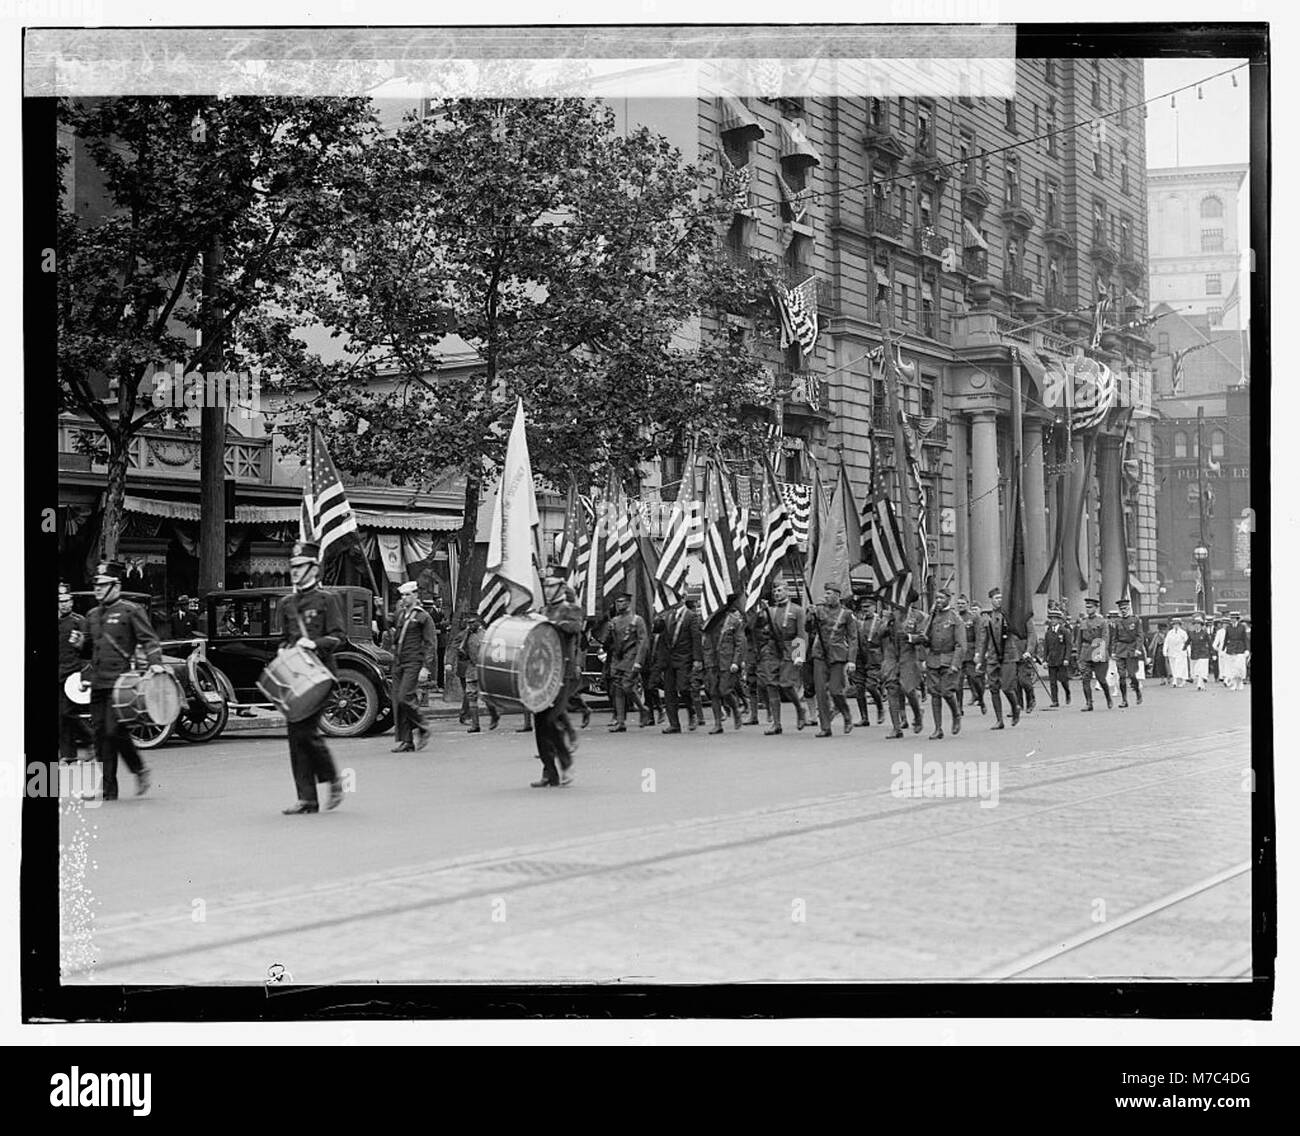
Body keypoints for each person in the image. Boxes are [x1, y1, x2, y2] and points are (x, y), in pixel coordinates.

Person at [79, 562, 166, 800]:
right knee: (100, 734)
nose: (97, 589)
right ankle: (111, 787)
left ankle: (133, 772)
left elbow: (149, 640)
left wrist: (155, 662)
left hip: (121, 684)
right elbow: (88, 649)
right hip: (98, 682)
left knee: (113, 731)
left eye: (103, 585)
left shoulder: (130, 610)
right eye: (96, 584)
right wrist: (79, 644)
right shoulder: (92, 615)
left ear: (116, 586)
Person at [275, 542, 346, 814]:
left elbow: (339, 637)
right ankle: (307, 799)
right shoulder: (287, 603)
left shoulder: (327, 600)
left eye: (300, 566)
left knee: (305, 731)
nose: (294, 571)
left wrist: (314, 644)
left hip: (321, 675)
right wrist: (284, 649)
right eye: (292, 567)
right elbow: (283, 639)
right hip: (297, 678)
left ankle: (334, 779)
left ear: (314, 568)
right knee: (296, 735)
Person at [532, 571, 585, 788]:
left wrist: (551, 623)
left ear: (562, 587)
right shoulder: (544, 610)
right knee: (540, 724)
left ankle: (566, 762)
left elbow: (575, 627)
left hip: (563, 673)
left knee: (551, 720)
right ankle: (549, 772)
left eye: (551, 586)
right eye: (545, 586)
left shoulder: (570, 609)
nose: (547, 590)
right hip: (544, 673)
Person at [753, 578, 809, 735]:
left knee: (785, 684)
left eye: (780, 590)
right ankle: (776, 724)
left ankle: (800, 709)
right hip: (773, 650)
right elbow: (756, 627)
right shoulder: (770, 611)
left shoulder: (797, 610)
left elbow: (801, 633)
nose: (777, 594)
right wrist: (760, 613)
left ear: (787, 591)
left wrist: (799, 655)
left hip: (789, 648)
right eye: (775, 591)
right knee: (771, 684)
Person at [389, 581, 438, 752]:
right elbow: (391, 629)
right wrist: (380, 610)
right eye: (402, 595)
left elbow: (431, 644)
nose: (404, 598)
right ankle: (407, 741)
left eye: (408, 595)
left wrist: (426, 667)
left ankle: (423, 725)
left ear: (416, 596)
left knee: (405, 697)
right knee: (398, 702)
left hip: (413, 662)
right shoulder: (400, 615)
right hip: (398, 662)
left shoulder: (423, 617)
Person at [808, 583, 857, 737]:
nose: (826, 596)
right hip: (819, 654)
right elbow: (808, 629)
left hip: (837, 655)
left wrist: (851, 660)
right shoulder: (819, 610)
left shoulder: (847, 614)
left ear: (837, 595)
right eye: (826, 593)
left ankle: (846, 713)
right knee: (821, 691)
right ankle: (825, 727)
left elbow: (853, 638)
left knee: (836, 690)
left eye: (829, 593)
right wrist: (810, 616)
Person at [918, 587, 965, 739]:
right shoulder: (931, 618)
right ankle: (938, 729)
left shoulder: (955, 618)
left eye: (941, 598)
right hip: (933, 660)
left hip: (948, 660)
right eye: (936, 598)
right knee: (935, 694)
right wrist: (924, 642)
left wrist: (955, 664)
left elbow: (960, 644)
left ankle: (956, 714)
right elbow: (925, 640)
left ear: (948, 599)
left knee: (946, 692)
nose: (938, 600)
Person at [974, 587, 1020, 729]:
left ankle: (1015, 707)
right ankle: (999, 720)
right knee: (994, 688)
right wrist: (980, 660)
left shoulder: (1010, 615)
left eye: (1001, 598)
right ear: (991, 600)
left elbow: (1018, 631)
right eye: (996, 598)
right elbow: (983, 641)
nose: (999, 600)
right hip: (993, 657)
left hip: (1008, 655)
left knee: (1006, 687)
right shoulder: (986, 618)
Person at [602, 591, 648, 732]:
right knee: (617, 688)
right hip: (617, 657)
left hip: (631, 656)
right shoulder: (614, 621)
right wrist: (609, 632)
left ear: (628, 603)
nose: (619, 604)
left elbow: (643, 642)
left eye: (622, 602)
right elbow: (607, 644)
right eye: (617, 602)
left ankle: (642, 708)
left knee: (627, 686)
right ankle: (621, 722)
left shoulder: (637, 620)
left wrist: (639, 661)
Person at [58, 582, 93, 763]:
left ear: (72, 601)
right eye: (60, 601)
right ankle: (68, 754)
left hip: (72, 674)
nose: (64, 604)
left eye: (67, 600)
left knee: (67, 713)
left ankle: (90, 740)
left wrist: (81, 643)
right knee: (62, 716)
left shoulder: (78, 622)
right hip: (59, 673)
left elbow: (88, 650)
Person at [661, 591, 705, 734]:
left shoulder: (691, 616)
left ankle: (691, 711)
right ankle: (674, 724)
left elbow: (696, 638)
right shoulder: (667, 615)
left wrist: (697, 659)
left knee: (684, 688)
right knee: (669, 692)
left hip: (684, 658)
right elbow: (660, 634)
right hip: (669, 659)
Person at [702, 598, 747, 733]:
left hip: (727, 662)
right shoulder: (709, 622)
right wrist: (706, 660)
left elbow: (739, 643)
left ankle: (735, 710)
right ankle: (717, 724)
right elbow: (706, 643)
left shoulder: (734, 621)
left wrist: (736, 662)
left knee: (724, 690)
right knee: (713, 692)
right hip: (713, 661)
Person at [456, 613, 500, 732]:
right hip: (471, 668)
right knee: (471, 696)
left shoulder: (486, 635)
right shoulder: (466, 635)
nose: (470, 625)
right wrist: (461, 653)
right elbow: (462, 653)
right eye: (468, 623)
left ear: (478, 622)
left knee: (486, 697)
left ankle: (494, 714)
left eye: (472, 623)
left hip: (483, 669)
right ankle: (475, 725)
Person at [851, 596, 884, 727]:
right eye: (863, 608)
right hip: (860, 658)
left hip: (874, 658)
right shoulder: (858, 623)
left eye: (868, 607)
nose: (865, 610)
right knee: (859, 688)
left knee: (871, 686)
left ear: (874, 607)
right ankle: (864, 717)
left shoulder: (880, 622)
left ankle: (880, 707)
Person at [1074, 597, 1112, 711]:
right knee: (1085, 679)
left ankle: (1108, 698)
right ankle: (1089, 703)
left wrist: (1101, 653)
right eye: (1087, 607)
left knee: (1101, 679)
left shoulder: (1102, 622)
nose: (1088, 609)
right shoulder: (1083, 622)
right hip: (1085, 652)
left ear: (1096, 608)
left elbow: (1105, 638)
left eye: (1090, 607)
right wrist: (1079, 656)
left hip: (1098, 650)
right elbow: (1079, 640)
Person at [1109, 597, 1145, 707]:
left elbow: (1140, 636)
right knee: (1121, 676)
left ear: (1129, 608)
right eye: (1121, 609)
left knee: (1132, 675)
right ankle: (1124, 700)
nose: (1123, 611)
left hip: (1132, 649)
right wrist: (1114, 651)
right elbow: (1114, 638)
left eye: (1125, 608)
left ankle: (1138, 692)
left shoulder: (1135, 620)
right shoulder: (1117, 622)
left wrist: (1138, 649)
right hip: (1121, 649)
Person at [955, 595, 987, 715]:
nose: (960, 606)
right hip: (958, 654)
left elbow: (979, 636)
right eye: (958, 603)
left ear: (967, 604)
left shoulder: (974, 617)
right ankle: (959, 707)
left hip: (970, 652)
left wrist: (978, 653)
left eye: (962, 603)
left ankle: (981, 700)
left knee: (974, 679)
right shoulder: (955, 617)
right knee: (958, 682)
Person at [1042, 606, 1073, 707]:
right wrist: (1044, 660)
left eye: (1055, 618)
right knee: (1052, 682)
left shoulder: (1064, 631)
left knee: (1063, 679)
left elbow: (1068, 646)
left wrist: (1067, 658)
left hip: (1061, 659)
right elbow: (1045, 647)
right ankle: (1055, 700)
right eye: (1051, 619)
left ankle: (1067, 692)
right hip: (1051, 659)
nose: (1053, 621)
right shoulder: (1048, 632)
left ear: (1059, 620)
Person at [1221, 611, 1250, 691]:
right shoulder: (1228, 628)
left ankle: (1239, 682)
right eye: (1231, 618)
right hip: (1231, 649)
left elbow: (1245, 639)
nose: (1233, 620)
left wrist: (1247, 649)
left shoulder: (1242, 627)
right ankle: (1234, 684)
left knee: (1239, 668)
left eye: (1234, 618)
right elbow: (1226, 639)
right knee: (1232, 668)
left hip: (1240, 649)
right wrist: (1223, 649)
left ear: (1237, 619)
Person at [1187, 612, 1213, 690]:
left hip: (1203, 654)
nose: (1196, 625)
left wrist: (1213, 653)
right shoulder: (1191, 633)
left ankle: (1199, 684)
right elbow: (1187, 642)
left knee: (1200, 669)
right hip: (1194, 653)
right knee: (1196, 671)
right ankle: (1201, 685)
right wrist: (1183, 649)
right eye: (1195, 624)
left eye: (1198, 624)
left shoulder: (1204, 633)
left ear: (1201, 625)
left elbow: (1209, 643)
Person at [1163, 616, 1190, 688]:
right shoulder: (1170, 633)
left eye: (1177, 624)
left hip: (1181, 653)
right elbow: (1166, 642)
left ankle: (1181, 680)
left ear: (1180, 625)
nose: (1176, 626)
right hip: (1172, 653)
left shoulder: (1183, 633)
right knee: (1173, 667)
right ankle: (1175, 680)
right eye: (1174, 624)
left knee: (1180, 667)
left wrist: (1189, 652)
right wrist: (1165, 650)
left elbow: (1187, 643)